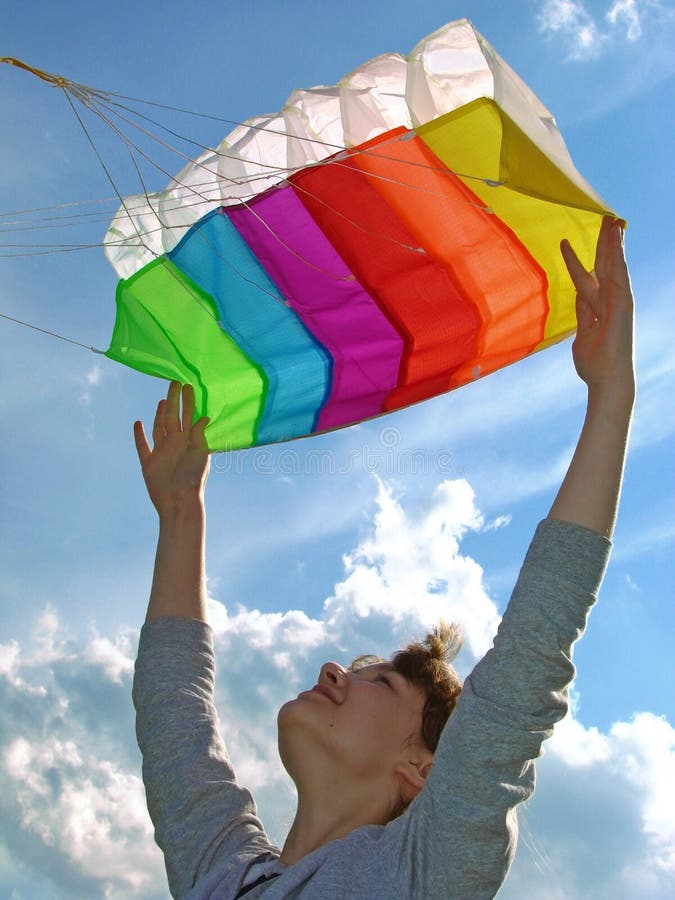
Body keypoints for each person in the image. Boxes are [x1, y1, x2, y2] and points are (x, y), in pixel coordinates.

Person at [132, 216, 635, 899]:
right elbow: (174, 714)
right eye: (378, 679)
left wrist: (611, 393)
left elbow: (528, 658)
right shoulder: (222, 872)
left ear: (425, 773)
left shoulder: (421, 875)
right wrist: (181, 513)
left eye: (379, 681)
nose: (334, 669)